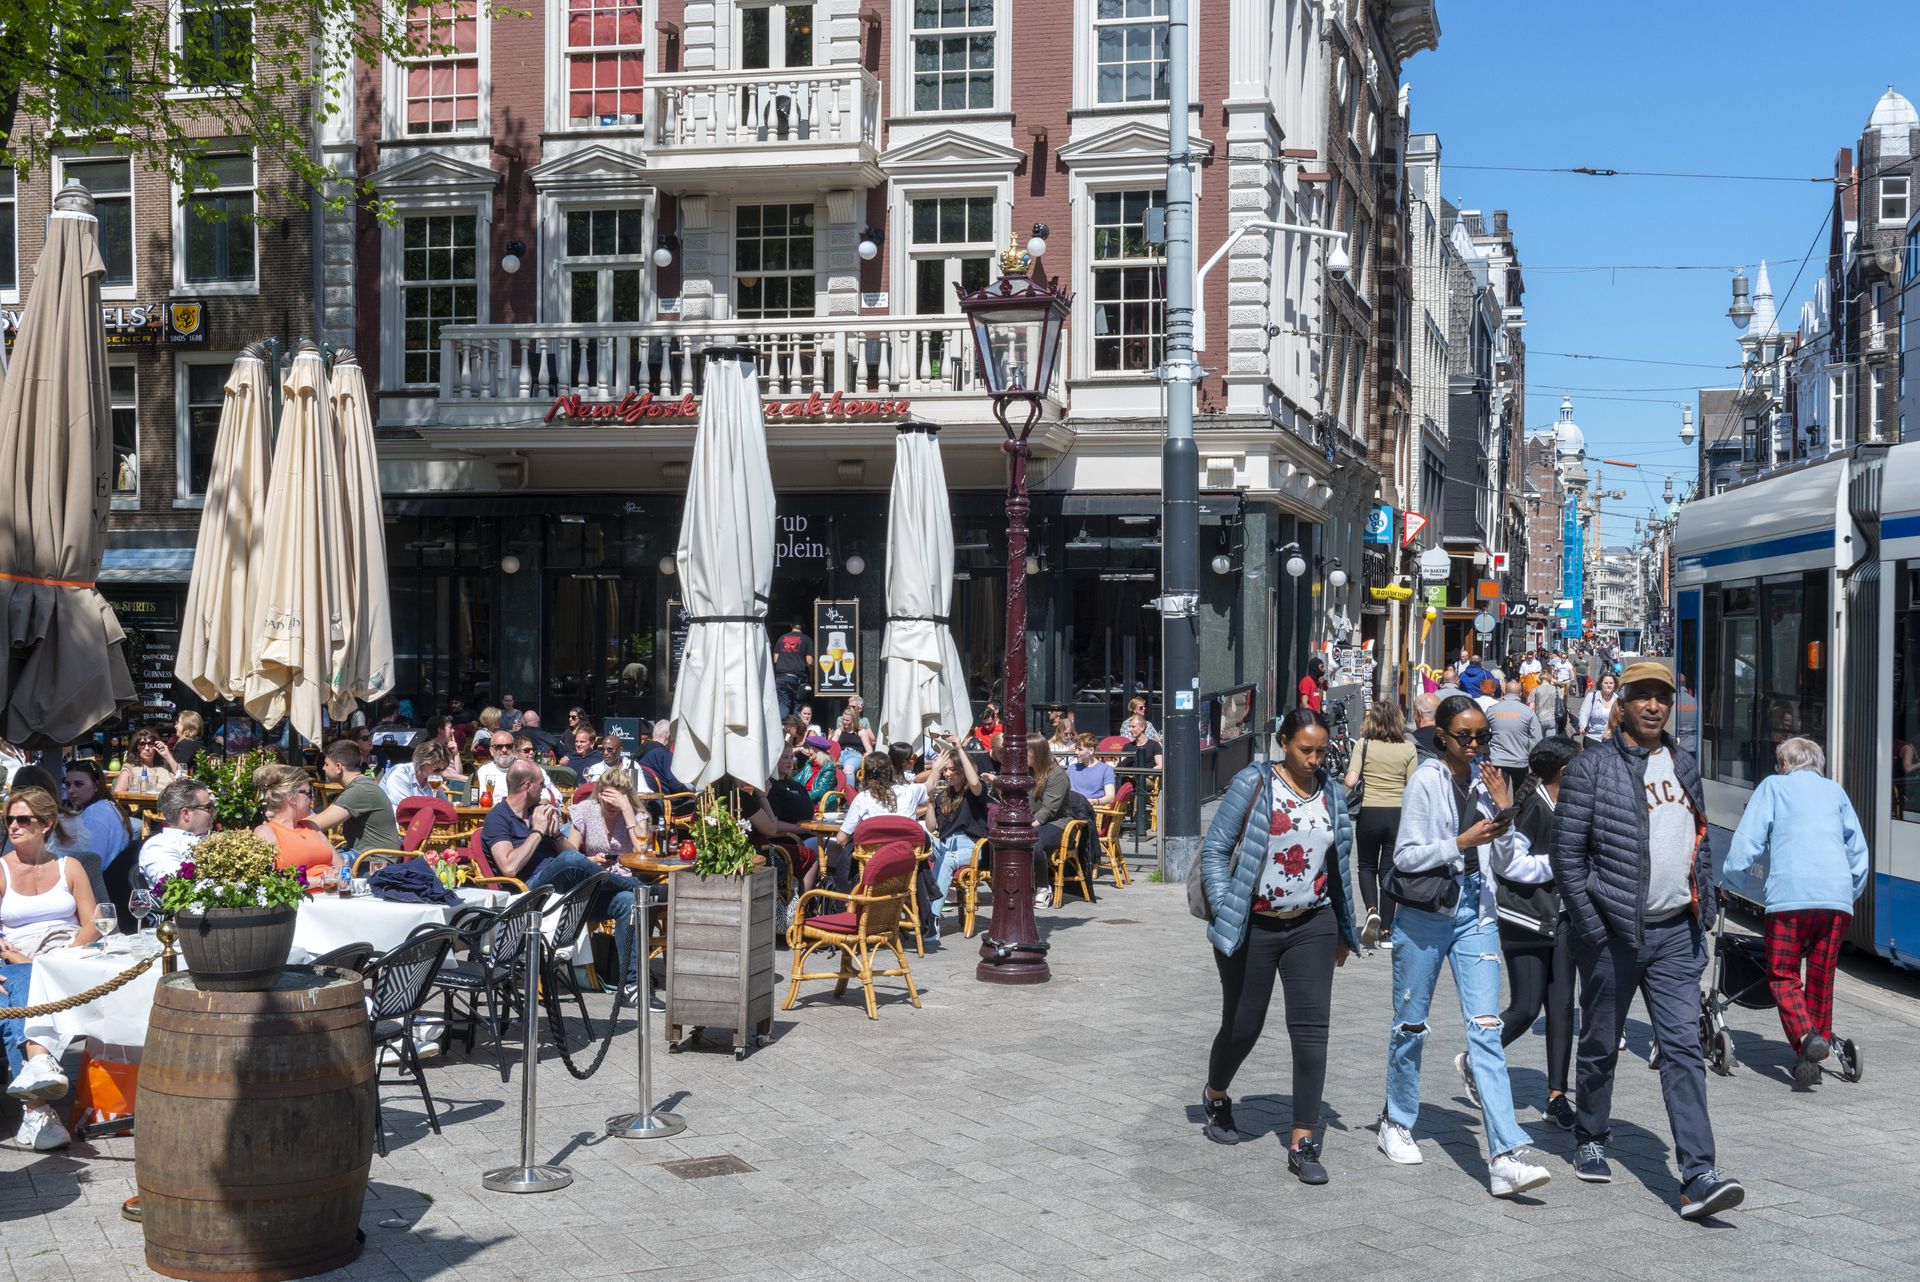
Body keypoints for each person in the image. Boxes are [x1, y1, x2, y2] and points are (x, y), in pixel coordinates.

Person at [1550, 662, 1743, 1220]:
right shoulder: (1591, 769)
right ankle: (1590, 1131)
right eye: (1644, 698)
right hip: (1612, 935)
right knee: (1602, 1042)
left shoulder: (1684, 766)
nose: (1655, 707)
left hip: (1675, 935)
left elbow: (1699, 841)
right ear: (1624, 704)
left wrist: (1701, 905)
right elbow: (1568, 856)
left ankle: (1698, 1175)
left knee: (1683, 1048)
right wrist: (1590, 926)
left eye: (1664, 697)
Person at [1377, 694, 1551, 1200]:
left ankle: (1503, 1156)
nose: (1476, 745)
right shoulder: (1426, 780)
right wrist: (1463, 841)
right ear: (1443, 738)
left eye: (1483, 737)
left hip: (1477, 912)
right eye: (1466, 737)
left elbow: (1507, 860)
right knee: (1411, 1023)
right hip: (1427, 914)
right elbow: (1406, 857)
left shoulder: (1487, 781)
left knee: (1486, 1029)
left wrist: (1504, 812)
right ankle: (1397, 1119)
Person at [1196, 708, 1360, 1185]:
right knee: (1244, 1024)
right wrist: (1230, 905)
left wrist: (1345, 930)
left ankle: (1302, 1140)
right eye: (1304, 749)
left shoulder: (1331, 791)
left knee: (1311, 1030)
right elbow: (1214, 849)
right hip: (1255, 925)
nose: (1313, 759)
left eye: (1321, 751)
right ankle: (1217, 1094)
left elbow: (1340, 862)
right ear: (1283, 742)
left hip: (1313, 921)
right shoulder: (1254, 784)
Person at [1721, 735, 1869, 1086]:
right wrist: (1849, 891)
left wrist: (1731, 879)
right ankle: (1810, 1060)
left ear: (1785, 765)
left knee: (1783, 974)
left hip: (1791, 898)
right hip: (1835, 900)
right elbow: (1858, 852)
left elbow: (1749, 840)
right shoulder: (1836, 792)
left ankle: (1806, 1037)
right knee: (1821, 977)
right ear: (1817, 764)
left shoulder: (1774, 787)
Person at [483, 761, 644, 1001]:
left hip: (563, 893)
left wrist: (556, 834)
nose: (545, 788)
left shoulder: (538, 810)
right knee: (570, 860)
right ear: (527, 786)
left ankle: (630, 986)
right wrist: (537, 832)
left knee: (627, 901)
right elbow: (508, 867)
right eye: (541, 784)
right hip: (529, 894)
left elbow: (573, 856)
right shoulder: (499, 817)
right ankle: (642, 888)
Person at [1487, 735, 1581, 1132]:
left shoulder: (1574, 806)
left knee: (1561, 1008)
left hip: (1563, 919)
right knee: (1526, 1007)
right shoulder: (1533, 808)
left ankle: (1557, 1095)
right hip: (1524, 918)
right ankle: (1478, 1059)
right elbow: (1508, 863)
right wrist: (1560, 866)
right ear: (1564, 772)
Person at [3, 786, 104, 1152]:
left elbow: (94, 922)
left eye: (23, 819)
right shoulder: (0, 870)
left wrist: (57, 961)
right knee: (22, 983)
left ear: (46, 824)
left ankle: (37, 1107)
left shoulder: (69, 866)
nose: (13, 826)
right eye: (9, 819)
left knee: (30, 980)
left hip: (67, 957)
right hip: (17, 960)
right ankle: (38, 1085)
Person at [1344, 701, 1417, 951]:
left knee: (1366, 866)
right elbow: (1412, 785)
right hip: (1397, 815)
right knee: (1389, 870)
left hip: (1369, 813)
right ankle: (1386, 930)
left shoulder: (1363, 745)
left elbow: (1350, 780)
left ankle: (1372, 910)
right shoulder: (1408, 748)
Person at [252, 764, 342, 890]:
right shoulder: (266, 832)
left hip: (333, 896)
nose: (312, 799)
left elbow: (341, 866)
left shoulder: (311, 827)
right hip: (302, 904)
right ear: (292, 797)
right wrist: (319, 881)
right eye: (309, 793)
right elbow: (268, 880)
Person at [926, 740, 987, 923]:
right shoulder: (944, 796)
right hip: (945, 844)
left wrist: (959, 749)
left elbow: (974, 781)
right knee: (916, 843)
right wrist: (930, 802)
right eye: (945, 770)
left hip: (971, 847)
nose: (948, 774)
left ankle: (932, 919)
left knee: (946, 860)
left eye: (953, 770)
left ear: (962, 770)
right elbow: (931, 827)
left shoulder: (974, 793)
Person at [312, 740, 402, 856]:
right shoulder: (361, 785)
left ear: (338, 767)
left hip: (375, 863)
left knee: (314, 861)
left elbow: (317, 824)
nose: (323, 768)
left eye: (327, 764)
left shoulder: (360, 790)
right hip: (364, 855)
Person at [51, 760, 130, 873]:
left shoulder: (93, 814)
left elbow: (92, 865)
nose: (71, 790)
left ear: (96, 786)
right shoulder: (106, 805)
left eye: (79, 784)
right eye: (68, 784)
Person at [566, 767, 652, 866]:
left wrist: (626, 809)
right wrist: (592, 860)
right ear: (599, 794)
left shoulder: (635, 814)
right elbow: (570, 856)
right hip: (594, 872)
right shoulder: (585, 809)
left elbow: (641, 849)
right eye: (608, 798)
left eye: (616, 799)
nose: (612, 804)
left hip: (625, 873)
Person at [138, 777, 216, 884]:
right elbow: (175, 887)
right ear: (186, 814)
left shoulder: (209, 838)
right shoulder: (159, 846)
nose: (214, 811)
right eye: (208, 807)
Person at [1487, 678, 1544, 794]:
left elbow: (1482, 733)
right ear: (1521, 693)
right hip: (1520, 761)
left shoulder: (1492, 710)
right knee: (1520, 799)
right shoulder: (1528, 712)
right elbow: (1537, 739)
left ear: (1504, 692)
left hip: (1497, 761)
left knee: (1498, 798)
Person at [381, 740, 454, 806]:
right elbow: (407, 809)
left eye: (443, 769)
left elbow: (445, 805)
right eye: (436, 770)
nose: (440, 774)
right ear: (422, 764)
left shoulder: (432, 779)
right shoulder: (399, 775)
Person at [635, 721, 694, 798]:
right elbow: (675, 785)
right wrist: (690, 790)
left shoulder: (640, 752)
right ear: (668, 736)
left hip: (645, 799)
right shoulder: (665, 755)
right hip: (666, 800)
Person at [114, 728, 177, 797]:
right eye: (142, 744)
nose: (147, 748)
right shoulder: (130, 767)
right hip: (142, 805)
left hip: (169, 804)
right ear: (136, 747)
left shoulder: (166, 764)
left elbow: (183, 778)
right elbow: (118, 793)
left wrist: (168, 756)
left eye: (150, 744)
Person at [772, 621, 814, 718]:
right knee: (798, 704)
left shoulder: (782, 638)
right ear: (803, 626)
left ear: (791, 625)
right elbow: (810, 662)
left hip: (781, 677)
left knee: (784, 704)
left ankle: (781, 729)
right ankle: (796, 730)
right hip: (798, 677)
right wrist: (812, 676)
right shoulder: (807, 639)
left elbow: (775, 659)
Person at [1066, 733, 1117, 806]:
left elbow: (1110, 797)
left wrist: (1096, 801)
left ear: (1091, 750)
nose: (1076, 752)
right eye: (1076, 749)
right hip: (1071, 808)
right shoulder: (1072, 768)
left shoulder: (1106, 770)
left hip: (1092, 810)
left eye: (1080, 749)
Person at [1574, 672, 1618, 751]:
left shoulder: (1618, 700)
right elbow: (1584, 713)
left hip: (1611, 738)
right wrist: (1582, 725)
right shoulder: (1592, 696)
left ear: (1614, 685)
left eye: (1611, 683)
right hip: (1593, 736)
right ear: (1601, 684)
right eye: (1606, 683)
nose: (1608, 685)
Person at [1530, 672, 1565, 738]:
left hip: (1539, 720)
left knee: (1539, 743)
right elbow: (1561, 700)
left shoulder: (1535, 690)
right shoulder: (1556, 689)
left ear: (1540, 679)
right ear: (1550, 679)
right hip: (1552, 719)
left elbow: (1531, 707)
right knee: (1549, 744)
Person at [1410, 692, 1440, 762]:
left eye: (1414, 712)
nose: (1413, 716)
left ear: (1418, 713)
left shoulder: (1409, 741)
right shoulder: (1449, 741)